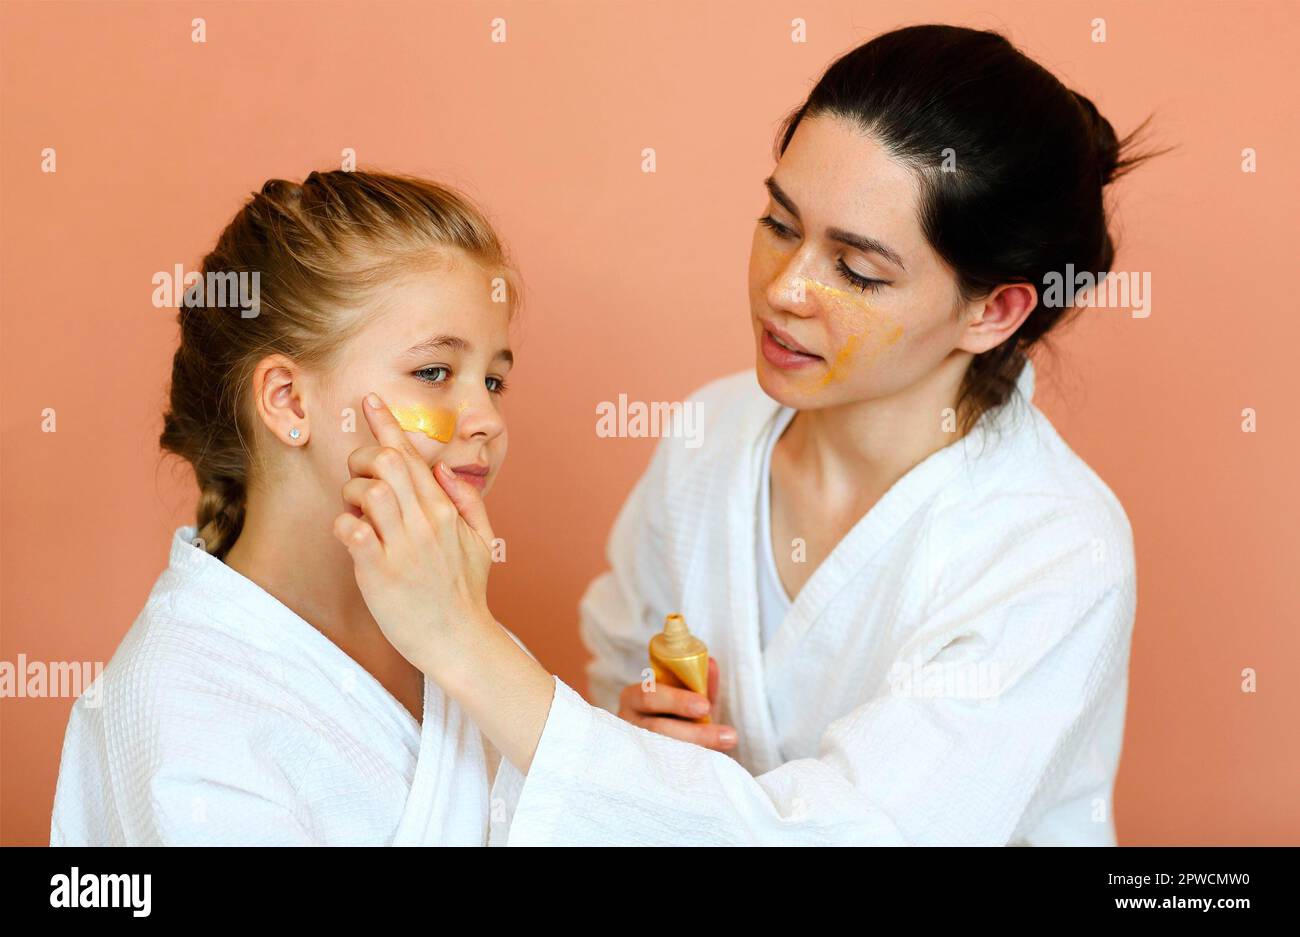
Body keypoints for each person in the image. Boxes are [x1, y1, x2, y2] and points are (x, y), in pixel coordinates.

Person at [337, 25, 1164, 846]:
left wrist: (462, 641)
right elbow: (619, 676)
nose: (787, 288)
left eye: (858, 270)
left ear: (994, 311)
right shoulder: (712, 436)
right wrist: (642, 750)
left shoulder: (1052, 549)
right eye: (779, 222)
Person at [51, 170, 521, 845]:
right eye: (433, 372)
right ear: (290, 401)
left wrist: (610, 780)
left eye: (496, 380)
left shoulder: (453, 623)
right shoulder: (184, 707)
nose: (485, 419)